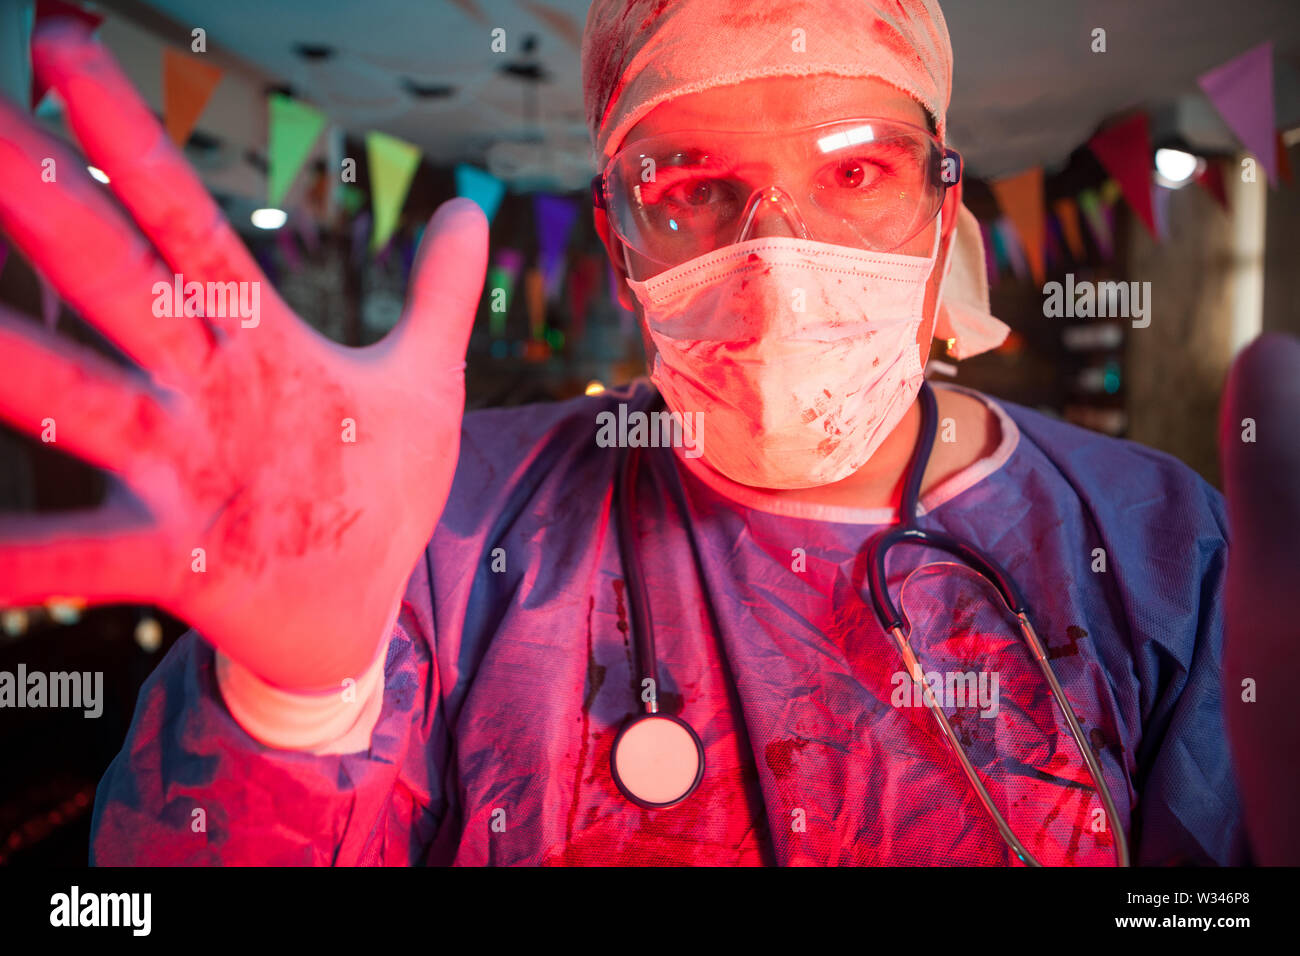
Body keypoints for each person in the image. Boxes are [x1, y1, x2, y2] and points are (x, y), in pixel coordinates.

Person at [0, 1, 1249, 865]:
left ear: (945, 206)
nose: (775, 267)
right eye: (691, 188)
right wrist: (292, 706)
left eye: (855, 174)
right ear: (613, 238)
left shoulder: (1144, 540)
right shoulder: (438, 522)